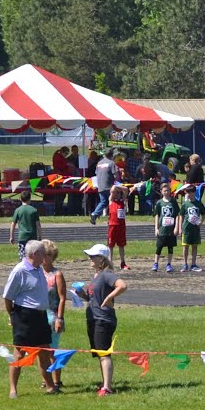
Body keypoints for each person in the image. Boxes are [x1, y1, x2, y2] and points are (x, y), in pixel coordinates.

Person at [2, 240, 55, 398]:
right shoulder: (19, 271)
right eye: (43, 253)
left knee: (44, 352)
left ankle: (50, 386)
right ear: (34, 254)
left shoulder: (39, 269)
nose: (45, 256)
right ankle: (13, 389)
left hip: (40, 316)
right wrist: (12, 315)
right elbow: (7, 296)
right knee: (19, 353)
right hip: (24, 316)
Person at [80, 243, 125, 396]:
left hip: (103, 319)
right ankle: (104, 383)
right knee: (100, 353)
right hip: (94, 318)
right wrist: (83, 296)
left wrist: (110, 297)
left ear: (102, 259)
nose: (89, 258)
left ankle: (107, 387)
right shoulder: (97, 276)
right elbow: (94, 298)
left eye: (93, 256)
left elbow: (122, 285)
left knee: (104, 353)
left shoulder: (107, 274)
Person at [38, 239, 67, 392]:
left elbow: (62, 298)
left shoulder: (57, 274)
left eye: (45, 254)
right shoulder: (36, 272)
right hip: (39, 316)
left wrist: (59, 318)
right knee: (41, 350)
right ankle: (45, 379)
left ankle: (56, 381)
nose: (42, 257)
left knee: (53, 350)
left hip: (53, 315)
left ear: (51, 256)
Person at [151, 182, 180, 273]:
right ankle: (156, 263)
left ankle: (169, 264)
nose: (166, 192)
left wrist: (177, 227)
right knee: (159, 247)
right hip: (162, 229)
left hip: (171, 229)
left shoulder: (173, 201)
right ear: (161, 191)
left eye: (167, 190)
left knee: (170, 247)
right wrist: (156, 228)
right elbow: (157, 215)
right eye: (164, 191)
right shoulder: (159, 203)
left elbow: (177, 215)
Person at [180, 184, 205, 271]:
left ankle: (193, 264)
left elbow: (204, 213)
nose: (189, 194)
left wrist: (201, 223)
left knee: (194, 246)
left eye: (191, 193)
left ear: (194, 193)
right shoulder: (185, 204)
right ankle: (185, 263)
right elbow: (181, 215)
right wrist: (180, 227)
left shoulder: (198, 204)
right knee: (185, 246)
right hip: (186, 228)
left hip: (195, 229)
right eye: (187, 193)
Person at [9, 190, 41, 255]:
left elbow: (13, 224)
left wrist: (11, 236)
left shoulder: (18, 210)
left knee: (22, 256)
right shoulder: (34, 210)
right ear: (30, 199)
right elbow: (38, 224)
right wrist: (40, 235)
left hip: (22, 236)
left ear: (20, 199)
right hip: (32, 236)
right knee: (32, 256)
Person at [89, 150, 117, 224]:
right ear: (112, 155)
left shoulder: (99, 163)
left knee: (103, 201)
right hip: (109, 186)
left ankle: (94, 214)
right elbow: (116, 175)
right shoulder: (111, 163)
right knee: (113, 201)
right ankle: (112, 217)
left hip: (100, 186)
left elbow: (96, 173)